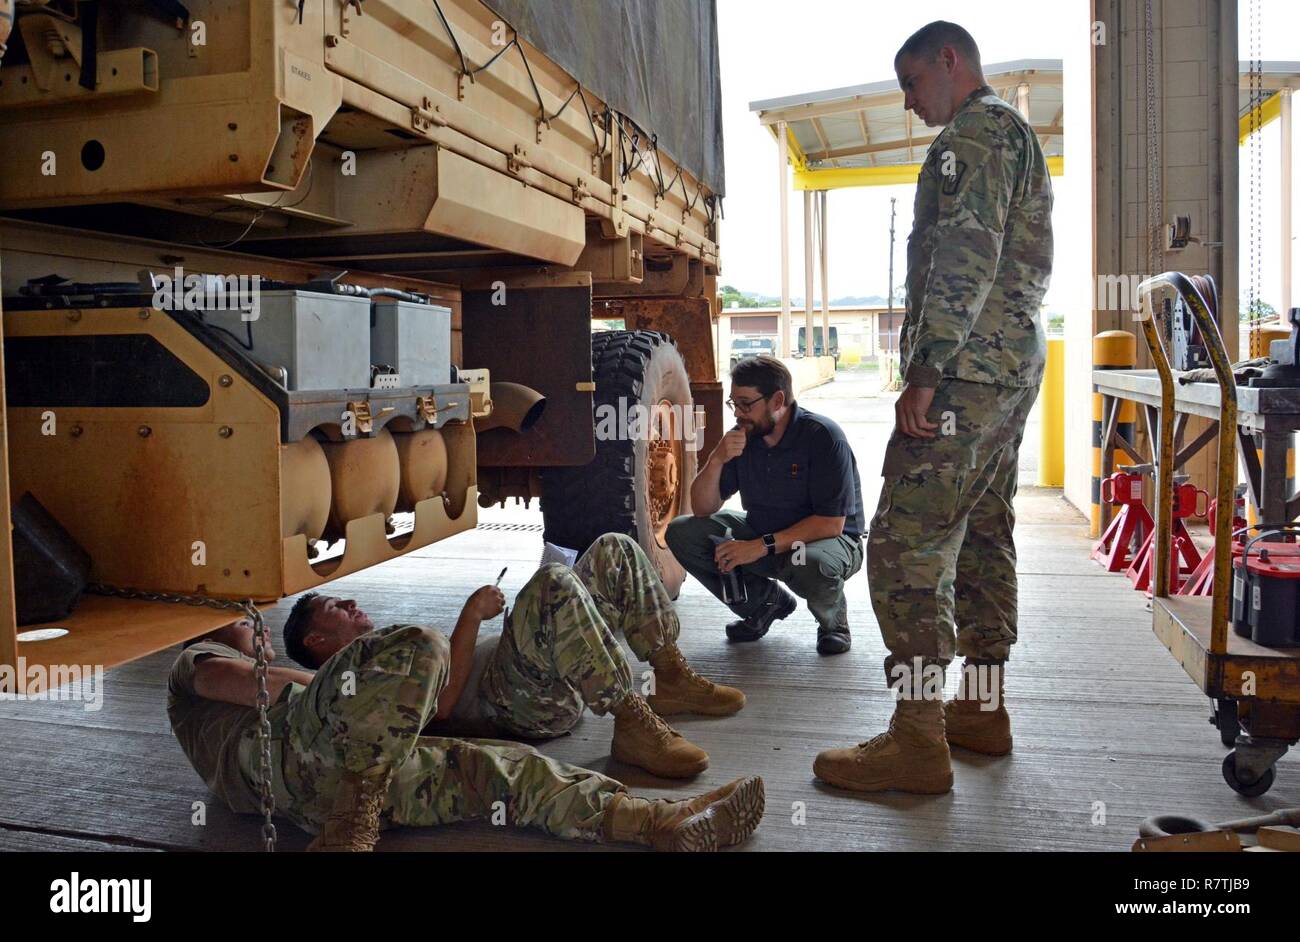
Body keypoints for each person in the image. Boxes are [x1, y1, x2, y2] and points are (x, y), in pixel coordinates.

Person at [814, 20, 1054, 794]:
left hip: (965, 374)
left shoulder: (976, 136)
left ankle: (918, 737)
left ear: (950, 61)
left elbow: (964, 255)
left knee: (904, 545)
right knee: (983, 531)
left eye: (914, 83)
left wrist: (925, 369)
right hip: (1007, 371)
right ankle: (980, 710)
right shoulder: (1011, 133)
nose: (910, 102)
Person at [167, 614, 765, 852]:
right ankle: (355, 814)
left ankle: (658, 821)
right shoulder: (199, 658)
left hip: (335, 793)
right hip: (287, 756)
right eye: (251, 625)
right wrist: (349, 688)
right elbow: (252, 685)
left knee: (501, 768)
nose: (260, 629)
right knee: (417, 645)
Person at [283, 533, 745, 780]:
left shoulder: (382, 647)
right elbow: (440, 706)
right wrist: (471, 615)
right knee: (553, 587)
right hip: (516, 709)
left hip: (530, 677)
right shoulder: (355, 682)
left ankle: (669, 674)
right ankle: (631, 722)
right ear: (315, 643)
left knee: (613, 550)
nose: (348, 605)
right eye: (333, 608)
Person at [666, 356, 865, 655]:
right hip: (765, 534)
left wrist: (760, 546)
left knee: (810, 560)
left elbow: (830, 523)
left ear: (777, 400)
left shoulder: (822, 437)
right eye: (734, 404)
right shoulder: (744, 437)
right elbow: (703, 509)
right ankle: (764, 604)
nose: (739, 414)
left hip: (825, 542)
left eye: (746, 404)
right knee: (683, 532)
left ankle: (832, 624)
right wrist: (717, 458)